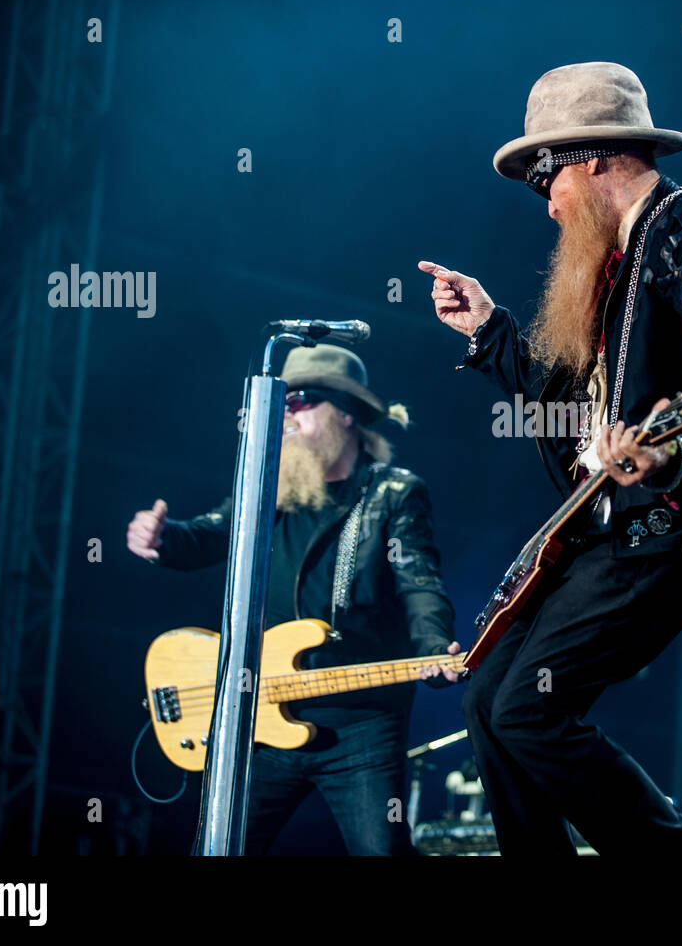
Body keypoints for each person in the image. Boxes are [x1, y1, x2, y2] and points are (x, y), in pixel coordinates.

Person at [418, 61, 682, 855]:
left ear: (590, 159)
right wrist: (489, 332)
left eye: (545, 180)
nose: (547, 205)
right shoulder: (613, 268)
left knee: (529, 706)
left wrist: (664, 455)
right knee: (488, 695)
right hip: (605, 528)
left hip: (673, 524)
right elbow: (569, 417)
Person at [126, 344, 460, 855]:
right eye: (283, 402)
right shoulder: (266, 490)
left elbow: (419, 582)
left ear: (346, 413)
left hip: (361, 724)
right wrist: (161, 537)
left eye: (302, 400)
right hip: (260, 716)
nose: (286, 412)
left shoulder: (393, 492)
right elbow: (210, 536)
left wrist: (432, 643)